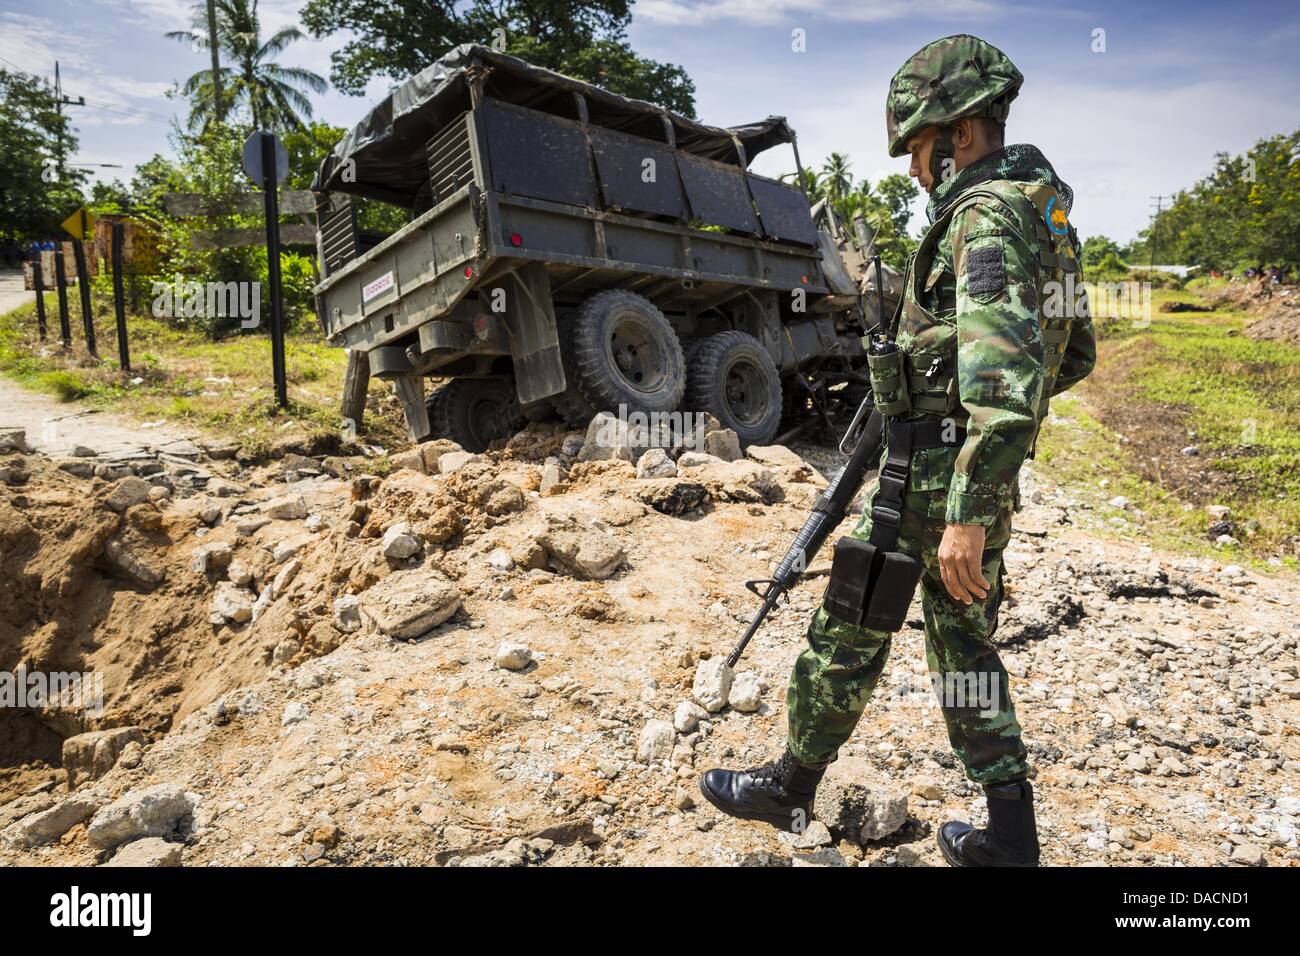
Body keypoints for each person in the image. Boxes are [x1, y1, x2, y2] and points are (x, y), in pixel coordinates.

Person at [699, 35, 1097, 867]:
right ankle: (1012, 838)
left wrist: (963, 504)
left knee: (851, 618)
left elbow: (1004, 373)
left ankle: (790, 786)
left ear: (958, 134)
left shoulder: (986, 215)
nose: (917, 172)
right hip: (962, 473)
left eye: (919, 150)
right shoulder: (1044, 210)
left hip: (937, 479)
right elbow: (1074, 353)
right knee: (962, 647)